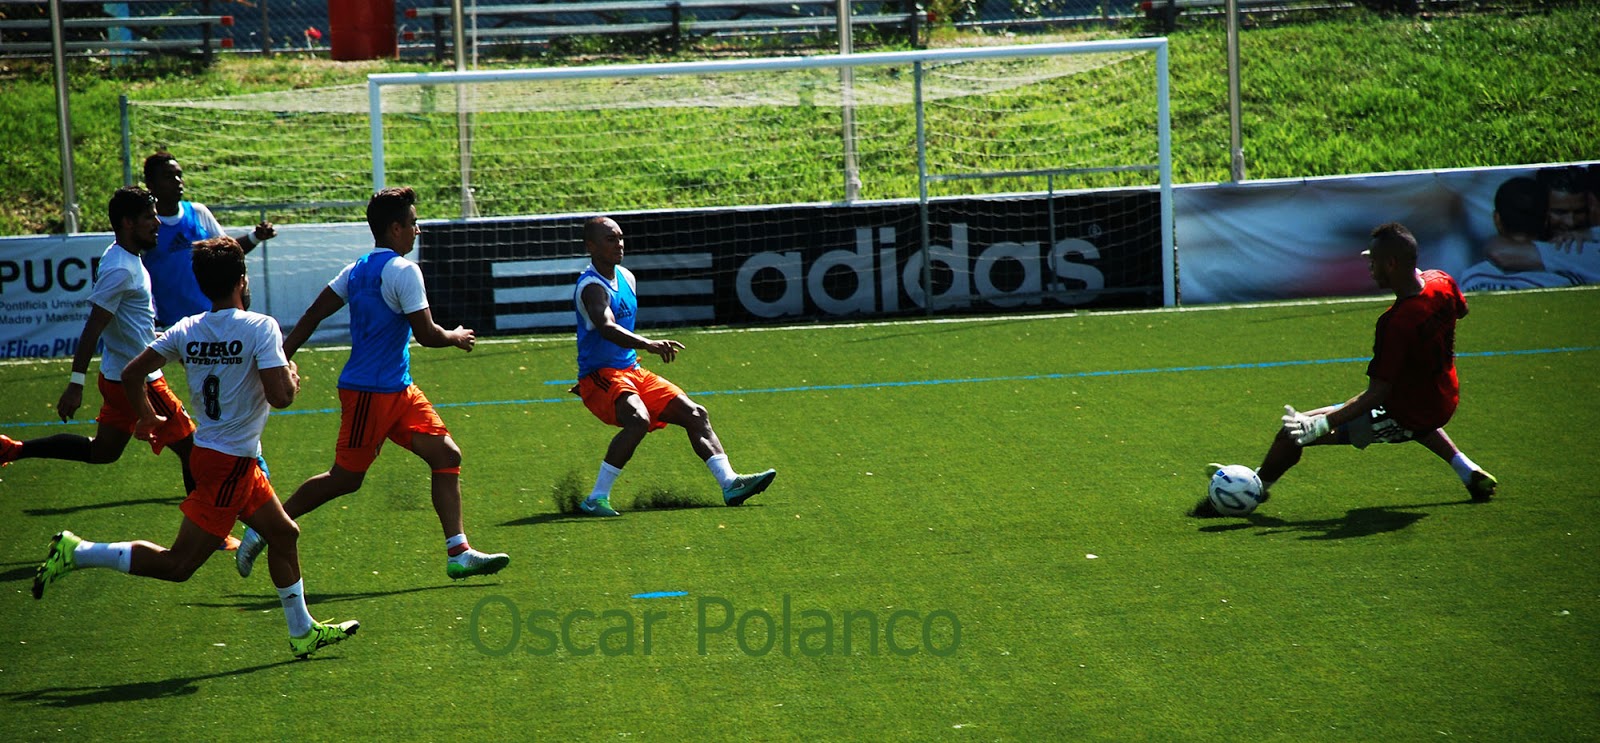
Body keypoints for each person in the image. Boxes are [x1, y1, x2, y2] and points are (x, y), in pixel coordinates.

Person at [32, 237, 358, 659]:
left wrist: (146, 416)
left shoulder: (187, 328)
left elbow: (132, 374)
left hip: (219, 456)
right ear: (243, 280)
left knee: (283, 533)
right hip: (230, 467)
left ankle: (301, 631)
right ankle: (78, 552)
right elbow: (281, 397)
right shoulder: (261, 327)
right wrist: (291, 376)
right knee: (177, 566)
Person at [235, 186, 509, 582]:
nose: (418, 231)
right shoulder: (403, 271)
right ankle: (264, 526)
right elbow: (428, 334)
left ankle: (459, 552)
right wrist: (457, 336)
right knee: (345, 479)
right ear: (396, 228)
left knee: (447, 455)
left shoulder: (358, 268)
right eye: (414, 223)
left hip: (399, 389)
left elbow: (312, 314)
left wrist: (284, 355)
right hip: (369, 393)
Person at [1192, 222, 1497, 517]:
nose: (1370, 268)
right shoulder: (1440, 281)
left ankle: (1251, 493)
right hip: (1442, 394)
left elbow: (1377, 394)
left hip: (1408, 411)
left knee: (1292, 433)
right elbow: (1462, 310)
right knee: (1417, 416)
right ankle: (1467, 471)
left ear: (1391, 264)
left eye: (1374, 262)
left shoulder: (1396, 323)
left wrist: (1325, 423)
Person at [0, 187, 199, 498]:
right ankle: (206, 532)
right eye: (149, 216)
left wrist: (170, 345)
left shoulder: (122, 257)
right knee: (193, 452)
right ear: (128, 223)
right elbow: (93, 327)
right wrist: (75, 383)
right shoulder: (121, 268)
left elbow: (130, 328)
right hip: (139, 380)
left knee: (103, 451)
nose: (158, 222)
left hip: (118, 375)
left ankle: (14, 449)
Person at [571, 216, 775, 517]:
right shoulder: (591, 287)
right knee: (637, 419)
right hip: (599, 376)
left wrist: (641, 350)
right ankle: (596, 498)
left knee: (695, 414)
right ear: (591, 246)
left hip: (631, 371)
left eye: (621, 237)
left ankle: (730, 483)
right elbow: (605, 327)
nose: (620, 244)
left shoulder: (627, 277)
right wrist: (648, 344)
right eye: (611, 239)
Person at [142, 151, 277, 328]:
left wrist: (255, 237)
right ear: (150, 184)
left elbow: (229, 252)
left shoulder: (198, 213)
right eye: (168, 176)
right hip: (169, 327)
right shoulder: (147, 225)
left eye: (179, 175)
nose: (177, 181)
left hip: (210, 321)